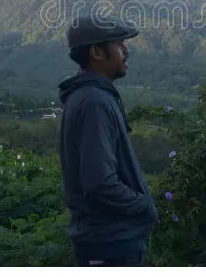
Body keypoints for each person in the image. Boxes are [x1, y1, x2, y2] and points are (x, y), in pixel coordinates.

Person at [58, 14, 158, 267]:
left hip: (109, 243)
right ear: (97, 52)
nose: (126, 50)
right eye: (119, 44)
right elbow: (99, 182)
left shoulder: (90, 96)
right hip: (111, 246)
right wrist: (143, 205)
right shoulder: (94, 102)